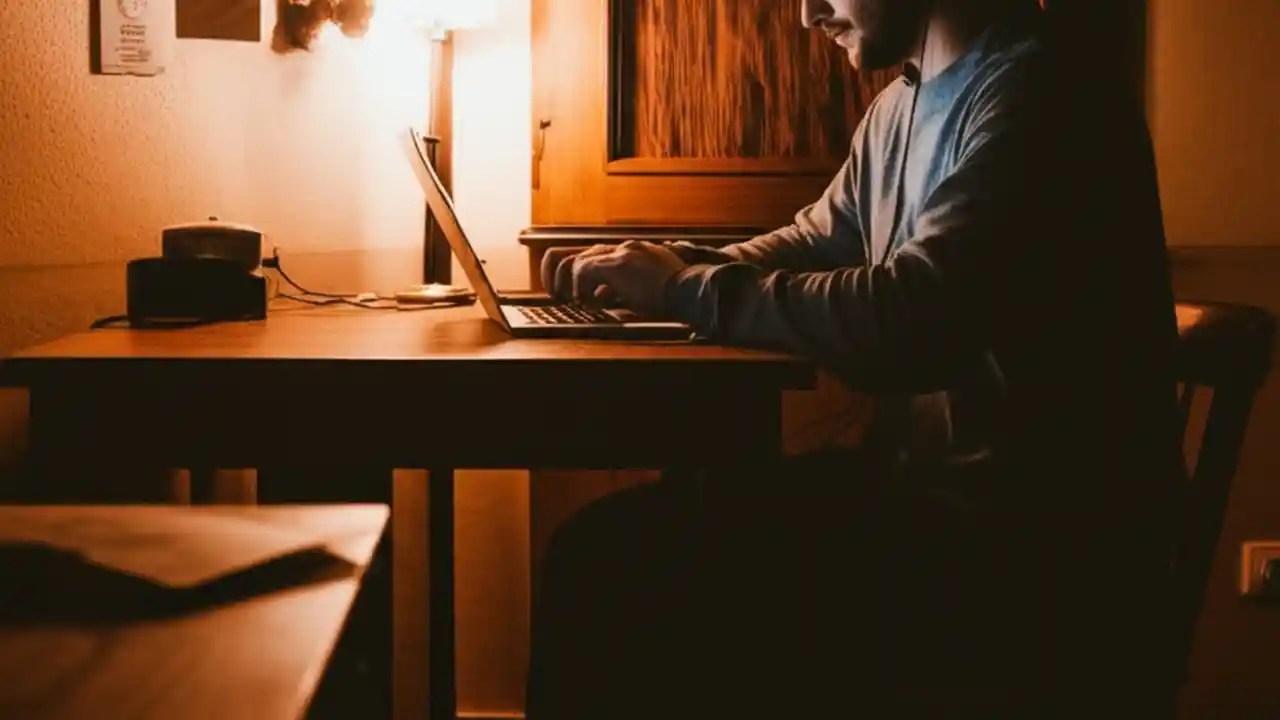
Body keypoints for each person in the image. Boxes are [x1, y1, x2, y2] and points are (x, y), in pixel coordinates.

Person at [528, 0, 1185, 717]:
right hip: (929, 513)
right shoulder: (899, 108)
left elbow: (913, 317)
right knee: (621, 552)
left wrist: (685, 287)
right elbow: (811, 242)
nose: (810, 13)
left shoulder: (1045, 90)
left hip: (1034, 561)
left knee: (609, 566)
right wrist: (659, 274)